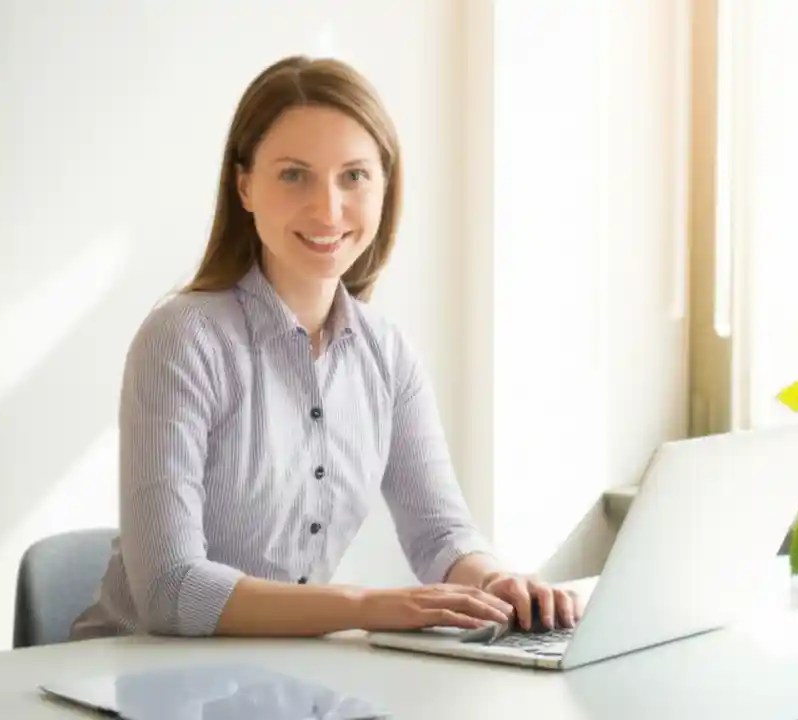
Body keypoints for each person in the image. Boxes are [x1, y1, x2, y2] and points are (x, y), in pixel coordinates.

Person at [71, 56, 579, 640]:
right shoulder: (183, 338)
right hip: (127, 678)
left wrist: (495, 582)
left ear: (384, 186)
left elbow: (441, 535)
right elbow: (170, 589)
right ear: (245, 186)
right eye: (294, 174)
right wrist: (364, 607)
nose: (328, 209)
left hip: (277, 680)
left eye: (354, 176)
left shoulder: (387, 355)